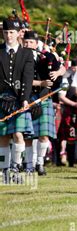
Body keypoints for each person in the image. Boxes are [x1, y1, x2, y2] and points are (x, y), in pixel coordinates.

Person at [23, 30, 65, 175]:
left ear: (36, 43)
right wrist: (40, 82)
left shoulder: (45, 55)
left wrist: (58, 73)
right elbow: (20, 80)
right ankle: (29, 164)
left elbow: (62, 66)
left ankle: (40, 163)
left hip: (44, 97)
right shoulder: (18, 58)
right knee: (28, 135)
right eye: (26, 42)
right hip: (26, 99)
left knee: (44, 134)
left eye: (31, 42)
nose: (28, 45)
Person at [0, 17, 34, 183]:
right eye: (6, 32)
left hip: (19, 99)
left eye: (12, 32)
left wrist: (25, 99)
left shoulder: (27, 53)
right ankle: (4, 170)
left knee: (18, 134)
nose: (9, 36)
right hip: (1, 99)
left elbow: (27, 79)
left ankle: (15, 167)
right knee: (3, 137)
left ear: (18, 33)